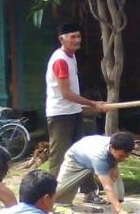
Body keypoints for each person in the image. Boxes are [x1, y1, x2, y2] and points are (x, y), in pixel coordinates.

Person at [45, 23, 107, 178]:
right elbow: (66, 93)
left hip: (74, 112)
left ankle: (88, 192)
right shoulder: (60, 60)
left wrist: (89, 106)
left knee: (82, 152)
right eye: (73, 37)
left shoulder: (71, 58)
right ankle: (52, 193)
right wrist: (93, 104)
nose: (77, 40)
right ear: (62, 39)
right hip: (60, 115)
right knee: (59, 156)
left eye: (79, 36)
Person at [55, 132, 136, 214]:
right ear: (112, 148)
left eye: (126, 156)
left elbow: (116, 158)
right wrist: (119, 211)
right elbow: (107, 187)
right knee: (60, 195)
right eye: (121, 156)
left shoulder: (118, 143)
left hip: (93, 152)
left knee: (115, 177)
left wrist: (114, 165)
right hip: (76, 159)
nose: (123, 159)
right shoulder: (99, 158)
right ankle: (44, 203)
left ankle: (117, 203)